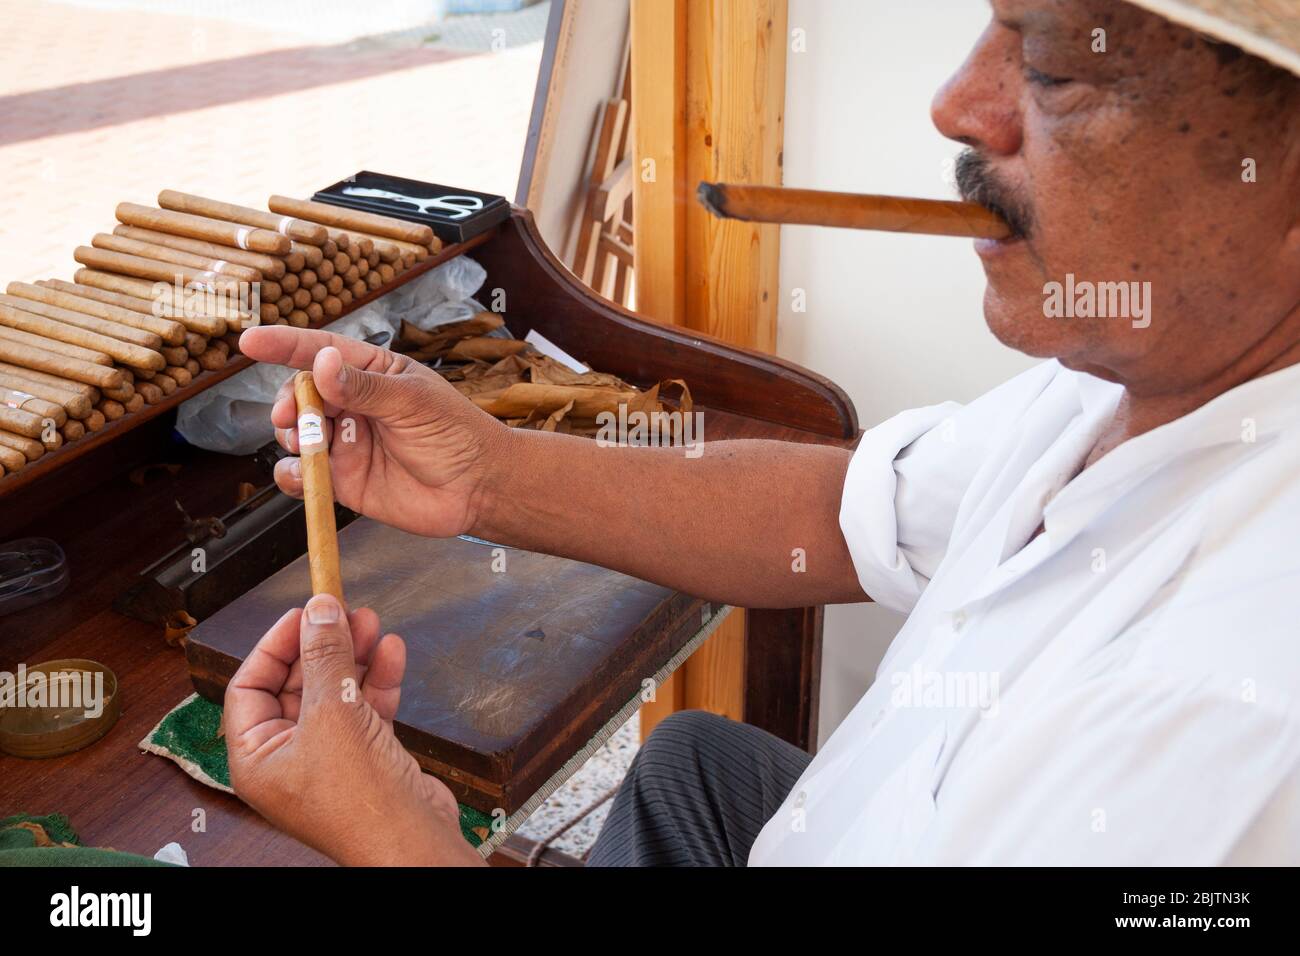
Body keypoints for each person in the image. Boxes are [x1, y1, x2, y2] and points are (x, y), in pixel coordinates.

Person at [225, 0, 1300, 865]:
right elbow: (841, 512)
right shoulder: (1135, 368)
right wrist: (487, 474)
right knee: (691, 763)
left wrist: (400, 843)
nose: (958, 104)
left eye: (1058, 67)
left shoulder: (1227, 719)